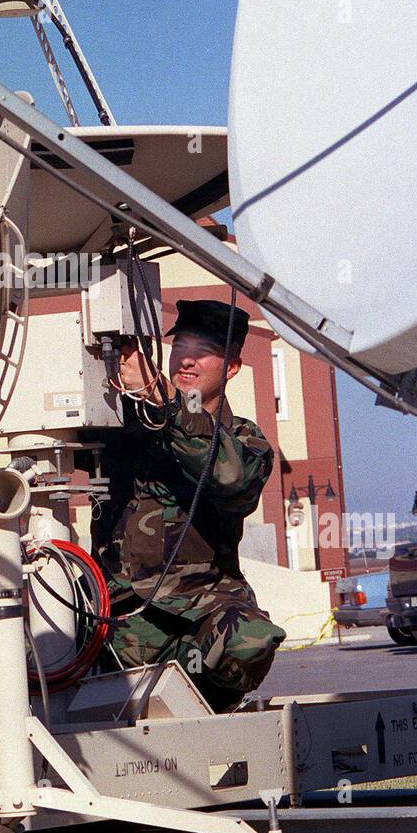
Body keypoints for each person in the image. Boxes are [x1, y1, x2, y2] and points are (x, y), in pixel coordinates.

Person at [91, 298, 286, 712]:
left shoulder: (246, 441)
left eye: (204, 352)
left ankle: (200, 712)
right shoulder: (125, 423)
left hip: (203, 614)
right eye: (181, 347)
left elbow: (230, 478)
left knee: (251, 641)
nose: (187, 361)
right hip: (120, 616)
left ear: (231, 367)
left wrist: (169, 402)